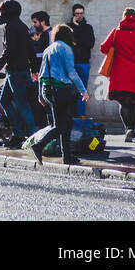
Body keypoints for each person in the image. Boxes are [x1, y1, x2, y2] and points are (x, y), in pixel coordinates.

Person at [25, 23, 89, 167]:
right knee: (61, 125)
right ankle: (39, 146)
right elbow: (71, 72)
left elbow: (41, 74)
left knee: (65, 122)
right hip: (60, 89)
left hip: (48, 89)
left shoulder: (48, 49)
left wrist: (41, 95)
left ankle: (66, 156)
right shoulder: (65, 49)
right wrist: (83, 90)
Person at [100, 7, 135, 143]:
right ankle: (132, 129)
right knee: (134, 103)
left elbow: (103, 48)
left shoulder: (116, 33)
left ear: (123, 17)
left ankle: (127, 128)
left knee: (123, 102)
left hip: (119, 72)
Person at [0, 0, 37, 148]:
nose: (0, 15)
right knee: (4, 101)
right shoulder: (23, 26)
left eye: (2, 11)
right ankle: (18, 134)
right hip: (21, 70)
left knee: (22, 105)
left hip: (15, 71)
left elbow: (9, 50)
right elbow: (31, 49)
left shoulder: (11, 27)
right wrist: (34, 69)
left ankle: (32, 137)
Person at [67, 3, 95, 115]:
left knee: (82, 92)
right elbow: (69, 42)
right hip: (70, 63)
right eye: (77, 13)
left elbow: (90, 43)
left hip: (83, 63)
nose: (79, 16)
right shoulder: (68, 27)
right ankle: (70, 116)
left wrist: (77, 40)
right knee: (69, 91)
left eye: (81, 13)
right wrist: (75, 27)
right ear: (73, 14)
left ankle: (80, 115)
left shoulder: (88, 28)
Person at [29, 10, 52, 124]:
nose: (34, 25)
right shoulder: (39, 33)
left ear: (42, 22)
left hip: (45, 70)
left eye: (35, 22)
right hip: (37, 69)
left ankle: (45, 122)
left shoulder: (50, 33)